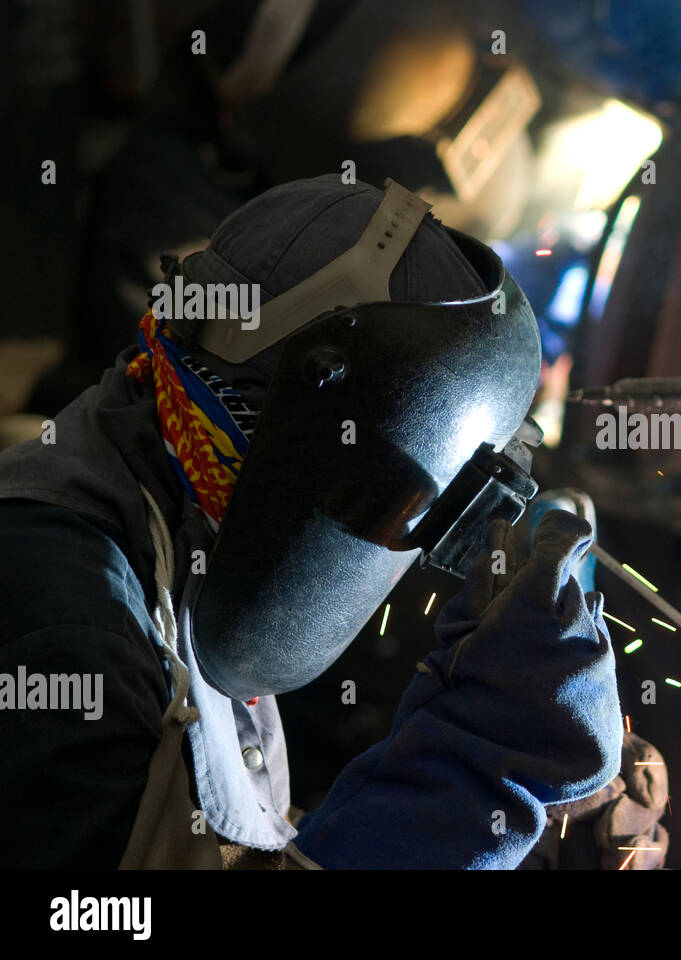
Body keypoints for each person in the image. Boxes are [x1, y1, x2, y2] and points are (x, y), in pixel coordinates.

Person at [0, 174, 644, 869]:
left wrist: (516, 832)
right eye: (387, 497)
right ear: (304, 428)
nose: (403, 532)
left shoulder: (184, 512)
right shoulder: (70, 635)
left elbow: (223, 845)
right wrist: (477, 773)